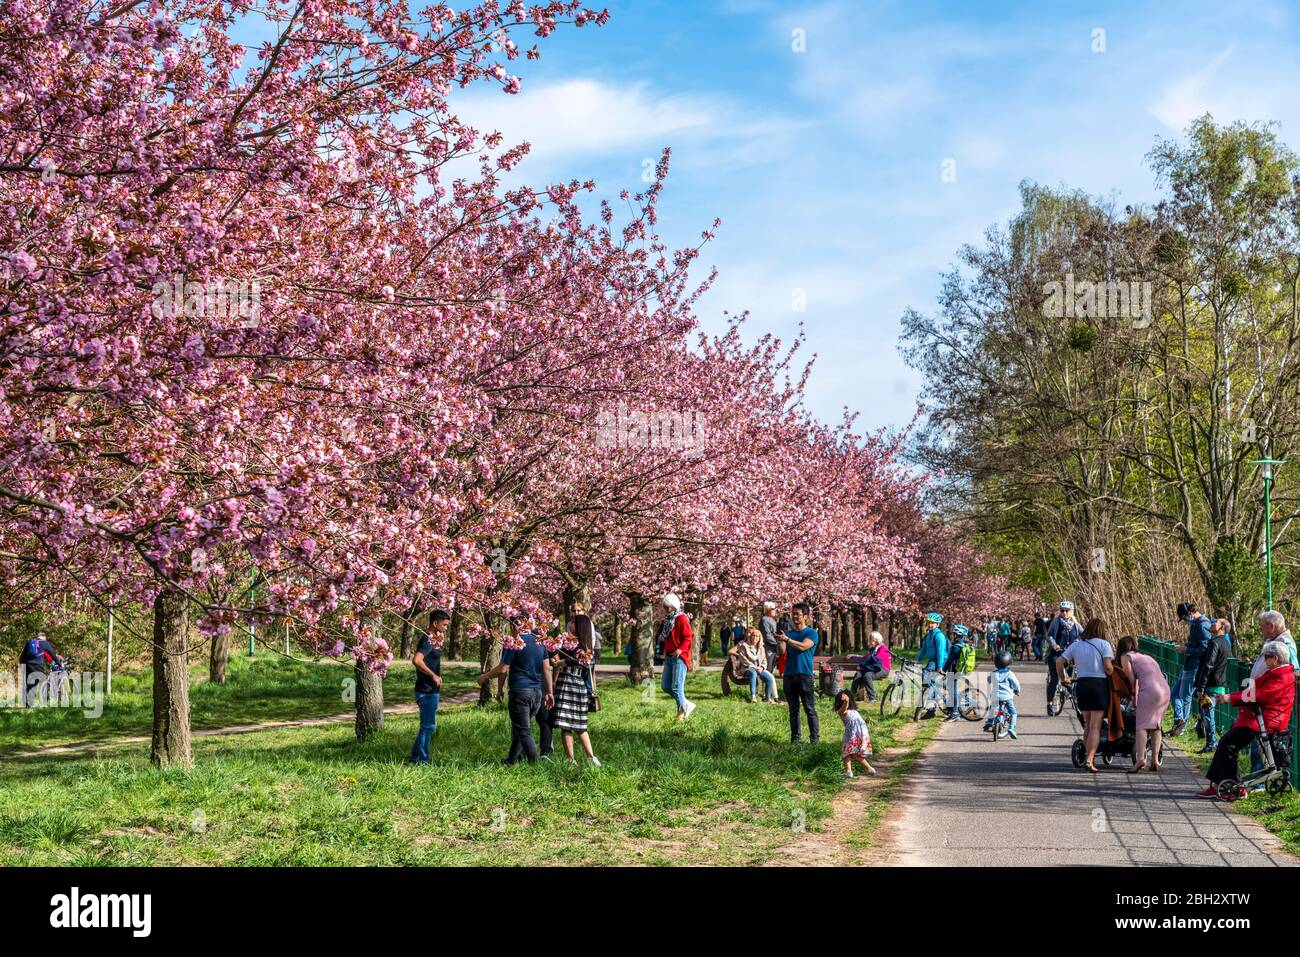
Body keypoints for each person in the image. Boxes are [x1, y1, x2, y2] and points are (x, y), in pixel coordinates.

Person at [1198, 640, 1295, 800]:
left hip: (1264, 720)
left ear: (1276, 659)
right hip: (1259, 717)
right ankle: (1218, 784)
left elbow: (1259, 695)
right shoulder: (1278, 673)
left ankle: (1234, 787)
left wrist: (1230, 698)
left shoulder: (1281, 676)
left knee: (1228, 746)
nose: (1264, 660)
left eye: (1267, 657)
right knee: (1225, 743)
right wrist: (1232, 697)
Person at [478, 628, 554, 764]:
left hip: (520, 692)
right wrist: (549, 692)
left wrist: (485, 677)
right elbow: (547, 668)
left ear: (514, 625)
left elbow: (503, 669)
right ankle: (512, 760)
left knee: (523, 731)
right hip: (537, 693)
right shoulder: (539, 641)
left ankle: (535, 764)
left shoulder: (514, 642)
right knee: (519, 727)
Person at [1057, 617, 1114, 771]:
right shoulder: (1104, 645)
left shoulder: (1076, 645)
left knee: (1088, 724)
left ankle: (1089, 757)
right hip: (1099, 685)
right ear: (1101, 630)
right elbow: (1108, 668)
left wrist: (1064, 678)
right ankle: (1089, 759)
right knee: (1096, 726)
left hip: (1082, 685)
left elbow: (1059, 662)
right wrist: (1114, 672)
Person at [1116, 635, 1169, 772]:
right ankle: (1155, 760)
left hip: (1150, 691)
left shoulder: (1126, 656)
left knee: (1142, 726)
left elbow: (1131, 680)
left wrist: (1131, 695)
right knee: (1156, 725)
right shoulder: (1145, 656)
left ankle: (1140, 759)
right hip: (1164, 689)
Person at [552, 615, 600, 765]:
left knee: (576, 725)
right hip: (572, 684)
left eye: (573, 622)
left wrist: (561, 662)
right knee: (568, 725)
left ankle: (589, 757)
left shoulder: (583, 646)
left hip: (571, 683)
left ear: (580, 626)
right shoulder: (570, 643)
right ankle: (573, 759)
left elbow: (578, 661)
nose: (570, 624)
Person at [408, 609, 450, 765]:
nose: (446, 628)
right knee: (428, 727)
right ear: (435, 623)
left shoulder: (433, 640)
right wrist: (433, 675)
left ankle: (415, 757)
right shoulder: (427, 640)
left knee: (427, 727)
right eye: (444, 625)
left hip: (431, 690)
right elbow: (416, 660)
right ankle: (422, 761)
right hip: (426, 690)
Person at [780, 602, 820, 743]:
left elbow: (803, 646)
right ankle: (795, 739)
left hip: (805, 675)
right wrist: (779, 640)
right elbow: (781, 652)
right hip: (789, 674)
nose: (795, 616)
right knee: (793, 709)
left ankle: (814, 739)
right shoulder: (788, 633)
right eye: (793, 614)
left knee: (809, 708)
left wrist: (787, 639)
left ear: (806, 617)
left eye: (798, 614)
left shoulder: (811, 633)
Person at [1192, 619, 1233, 754]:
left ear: (1222, 627)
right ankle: (1212, 742)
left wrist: (1201, 687)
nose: (1213, 622)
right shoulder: (1226, 643)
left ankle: (1211, 743)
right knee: (1209, 712)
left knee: (1208, 713)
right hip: (1220, 683)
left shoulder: (1214, 643)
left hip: (1210, 685)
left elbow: (1208, 665)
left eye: (1217, 622)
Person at [658, 592, 695, 721]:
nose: (666, 609)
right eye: (665, 606)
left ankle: (681, 715)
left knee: (676, 687)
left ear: (674, 606)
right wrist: (665, 651)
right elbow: (667, 638)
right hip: (669, 657)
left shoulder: (681, 618)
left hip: (680, 657)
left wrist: (680, 649)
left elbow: (688, 637)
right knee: (666, 686)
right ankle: (686, 704)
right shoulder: (668, 620)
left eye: (668, 606)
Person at [1044, 600, 1081, 715]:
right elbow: (1049, 636)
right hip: (1057, 654)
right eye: (1062, 611)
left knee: (1070, 678)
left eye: (1067, 611)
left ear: (1071, 611)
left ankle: (1069, 693)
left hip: (1070, 655)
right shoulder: (1056, 622)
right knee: (1055, 678)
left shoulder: (1076, 624)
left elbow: (1083, 635)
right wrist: (1054, 644)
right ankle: (1049, 704)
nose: (1064, 613)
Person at [834, 690, 876, 777]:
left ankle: (853, 771)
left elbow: (845, 709)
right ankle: (866, 769)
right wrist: (847, 701)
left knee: (849, 753)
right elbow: (844, 710)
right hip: (857, 734)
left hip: (855, 734)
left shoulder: (851, 711)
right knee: (848, 752)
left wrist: (846, 701)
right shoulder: (844, 712)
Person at [916, 611, 948, 718]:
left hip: (940, 660)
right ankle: (932, 706)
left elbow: (940, 652)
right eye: (929, 622)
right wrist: (917, 660)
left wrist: (939, 666)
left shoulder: (939, 636)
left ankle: (931, 707)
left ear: (937, 624)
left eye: (932, 623)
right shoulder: (928, 635)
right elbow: (924, 650)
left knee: (927, 677)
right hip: (932, 661)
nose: (930, 624)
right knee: (931, 683)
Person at [732, 627, 778, 702]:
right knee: (753, 673)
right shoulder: (744, 646)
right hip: (747, 668)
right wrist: (755, 667)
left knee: (769, 679)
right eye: (753, 636)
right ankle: (753, 696)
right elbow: (744, 660)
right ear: (750, 637)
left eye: (757, 636)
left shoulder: (761, 648)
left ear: (759, 638)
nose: (755, 638)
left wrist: (762, 667)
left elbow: (764, 660)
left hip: (759, 669)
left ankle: (767, 698)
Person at [19, 632, 64, 707]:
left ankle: (28, 705)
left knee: (30, 684)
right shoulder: (44, 643)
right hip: (37, 665)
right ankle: (44, 703)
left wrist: (22, 666)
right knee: (43, 683)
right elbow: (52, 653)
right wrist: (59, 664)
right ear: (44, 638)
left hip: (28, 665)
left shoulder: (29, 642)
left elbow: (23, 655)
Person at [983, 650, 1021, 738]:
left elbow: (988, 680)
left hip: (995, 697)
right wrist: (1017, 690)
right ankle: (1011, 728)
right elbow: (1015, 684)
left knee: (992, 709)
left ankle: (989, 722)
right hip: (1007, 697)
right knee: (1013, 713)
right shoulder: (1009, 674)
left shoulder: (993, 673)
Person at [943, 624, 975, 721]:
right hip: (959, 670)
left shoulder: (955, 647)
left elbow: (949, 660)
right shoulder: (964, 645)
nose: (953, 635)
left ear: (956, 635)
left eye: (954, 633)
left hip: (953, 671)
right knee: (952, 690)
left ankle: (955, 713)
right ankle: (951, 709)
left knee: (952, 691)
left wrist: (943, 670)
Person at [850, 631, 891, 702]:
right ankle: (851, 696)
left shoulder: (883, 649)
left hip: (883, 669)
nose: (869, 642)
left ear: (876, 640)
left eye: (870, 640)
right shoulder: (873, 649)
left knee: (867, 675)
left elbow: (876, 664)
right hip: (873, 668)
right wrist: (853, 656)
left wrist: (862, 667)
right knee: (858, 674)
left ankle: (872, 698)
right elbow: (865, 658)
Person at [759, 602, 780, 672]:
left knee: (771, 669)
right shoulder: (764, 620)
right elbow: (767, 636)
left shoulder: (772, 620)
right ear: (768, 609)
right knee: (767, 669)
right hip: (768, 648)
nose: (775, 610)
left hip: (773, 648)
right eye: (773, 609)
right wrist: (777, 643)